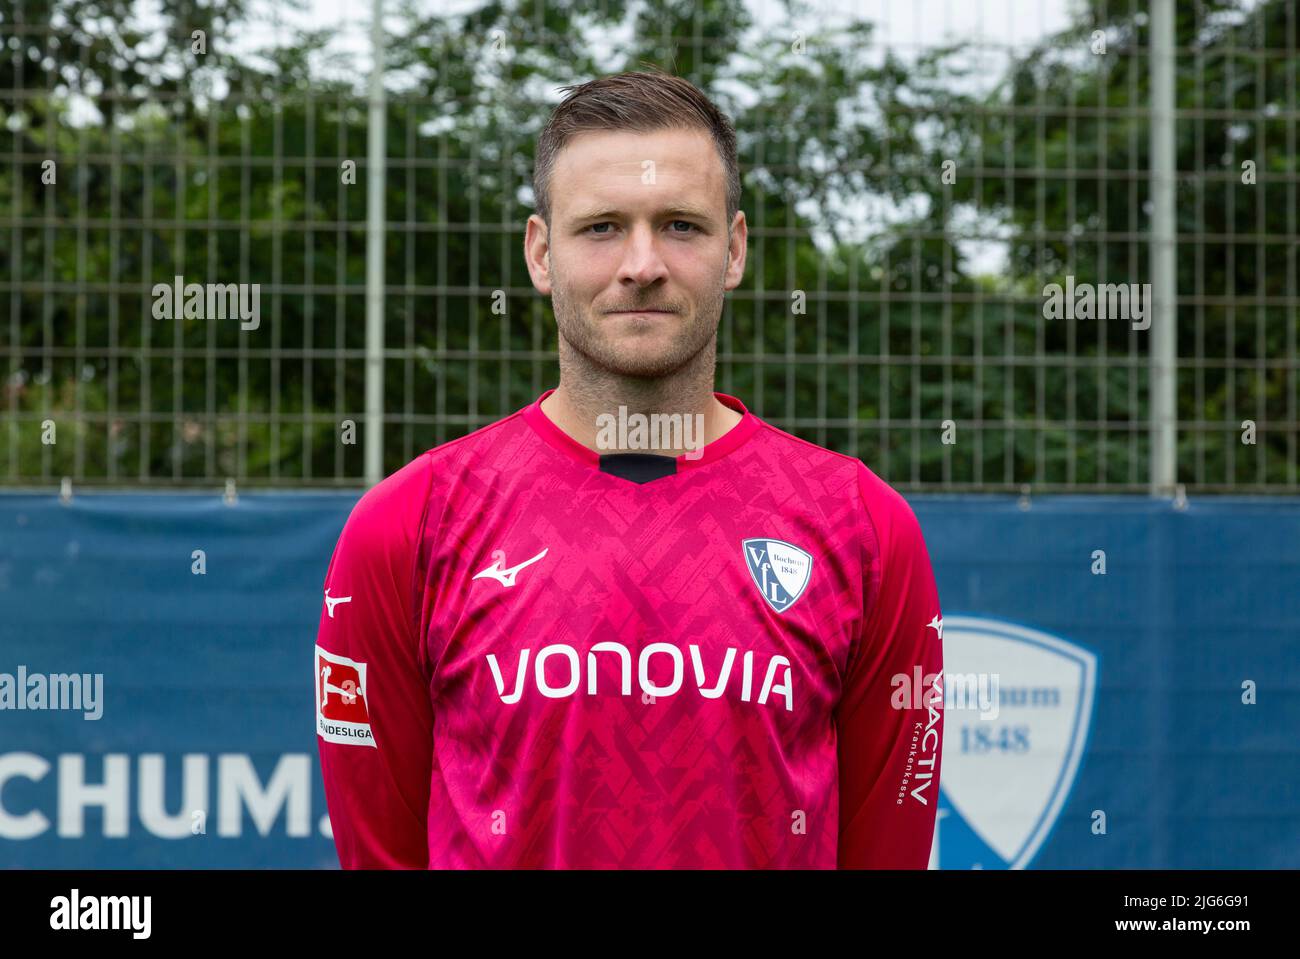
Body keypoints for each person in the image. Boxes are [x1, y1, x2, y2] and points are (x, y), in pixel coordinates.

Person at [315, 68, 944, 868]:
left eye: (681, 226)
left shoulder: (862, 527)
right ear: (541, 254)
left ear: (736, 249)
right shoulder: (408, 525)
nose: (642, 263)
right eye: (602, 227)